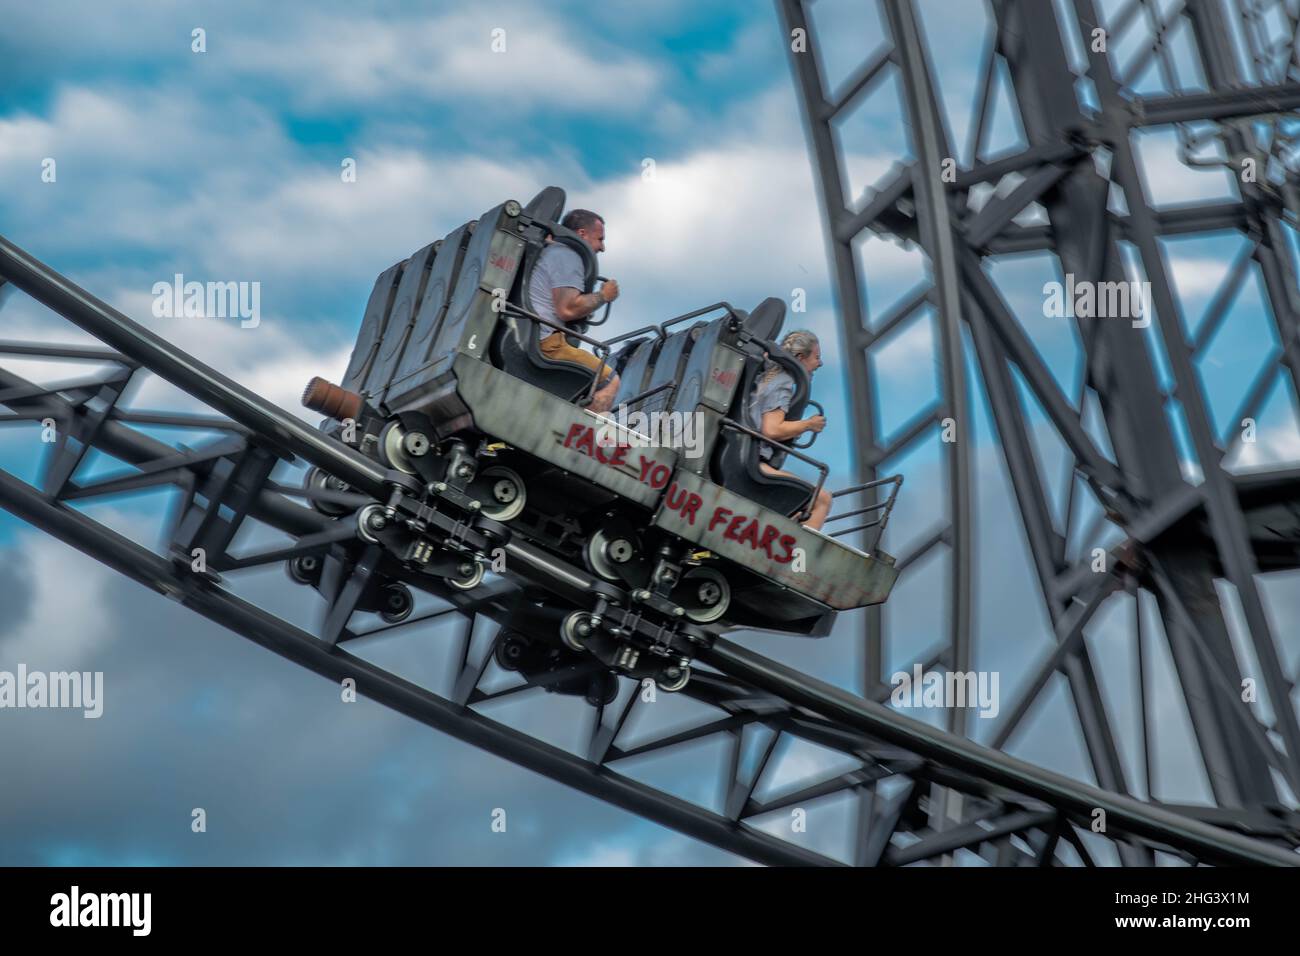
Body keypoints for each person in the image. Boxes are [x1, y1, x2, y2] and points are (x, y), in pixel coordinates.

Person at [527, 208, 621, 412]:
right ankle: (570, 439)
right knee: (610, 381)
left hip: (536, 334)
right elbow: (567, 309)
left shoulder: (551, 252)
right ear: (581, 234)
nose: (602, 247)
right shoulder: (567, 256)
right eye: (600, 239)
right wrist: (603, 295)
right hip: (546, 343)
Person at [746, 329, 833, 530]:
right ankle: (798, 559)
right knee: (822, 500)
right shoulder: (783, 382)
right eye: (817, 357)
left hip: (746, 457)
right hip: (754, 464)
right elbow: (772, 429)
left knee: (794, 509)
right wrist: (809, 424)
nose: (820, 363)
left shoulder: (768, 375)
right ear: (801, 358)